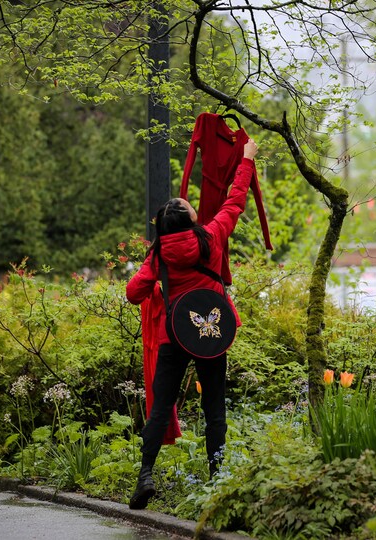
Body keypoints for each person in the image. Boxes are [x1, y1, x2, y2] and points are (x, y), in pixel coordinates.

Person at [125, 138, 258, 510]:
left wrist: (155, 284)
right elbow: (235, 201)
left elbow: (134, 292)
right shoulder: (212, 236)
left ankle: (145, 476)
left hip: (174, 336)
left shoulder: (159, 252)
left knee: (161, 407)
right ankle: (215, 482)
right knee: (214, 408)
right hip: (212, 335)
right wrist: (246, 160)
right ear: (191, 218)